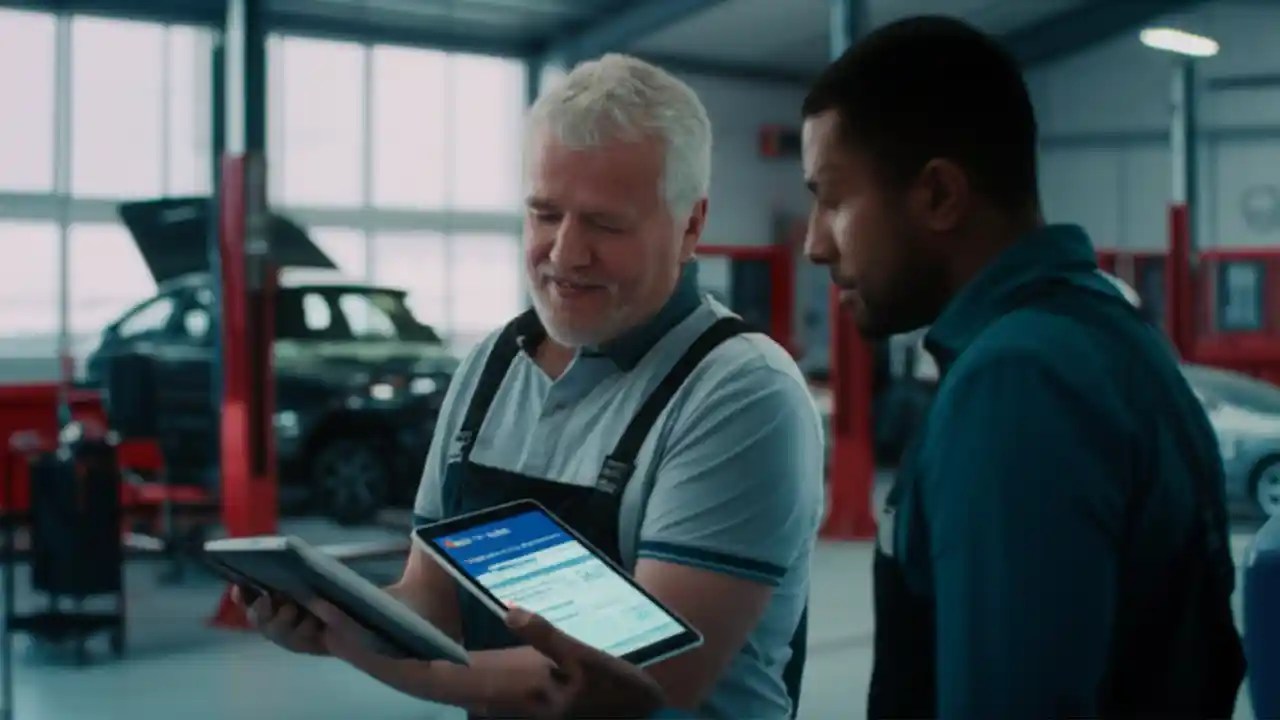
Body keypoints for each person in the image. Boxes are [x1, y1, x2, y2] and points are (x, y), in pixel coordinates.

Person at [236, 53, 825, 720]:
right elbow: (434, 603)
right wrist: (332, 609)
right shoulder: (491, 368)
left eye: (605, 224)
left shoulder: (741, 392)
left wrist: (367, 654)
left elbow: (641, 682)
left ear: (691, 224)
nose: (566, 254)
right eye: (545, 214)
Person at [798, 15, 1245, 719]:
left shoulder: (1018, 385)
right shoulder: (1102, 330)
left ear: (940, 195)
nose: (814, 245)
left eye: (832, 199)